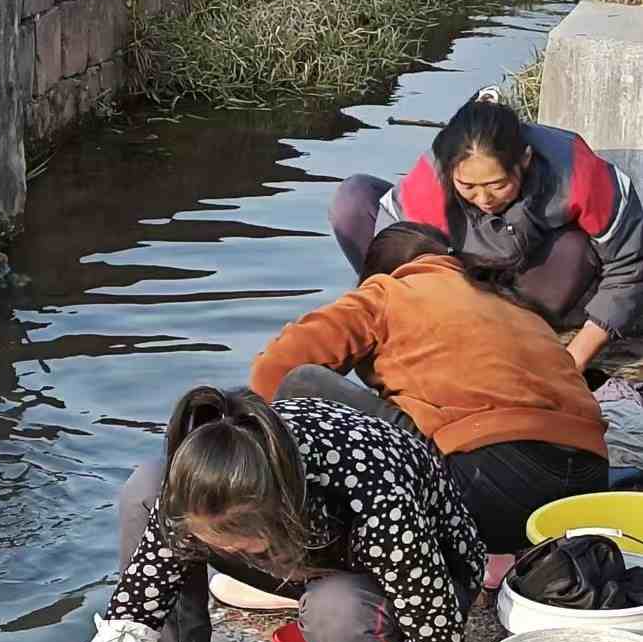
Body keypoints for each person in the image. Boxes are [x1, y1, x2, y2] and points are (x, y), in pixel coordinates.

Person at [69, 388, 486, 642]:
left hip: (428, 572)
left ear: (281, 520)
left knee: (336, 613)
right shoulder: (201, 482)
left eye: (233, 543)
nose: (207, 550)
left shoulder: (376, 499)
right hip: (308, 548)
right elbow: (135, 610)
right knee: (147, 485)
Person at [249, 221, 608, 556]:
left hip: (490, 491)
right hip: (586, 488)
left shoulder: (388, 291)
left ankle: (303, 536)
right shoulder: (511, 301)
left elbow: (276, 369)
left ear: (376, 274)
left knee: (302, 383)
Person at [329, 87, 643, 372]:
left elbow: (627, 267)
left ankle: (527, 331)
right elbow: (393, 267)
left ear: (525, 160)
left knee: (575, 248)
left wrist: (573, 360)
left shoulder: (576, 172)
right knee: (355, 199)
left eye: (498, 185)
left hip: (544, 280)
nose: (484, 200)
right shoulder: (430, 183)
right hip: (468, 276)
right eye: (467, 186)